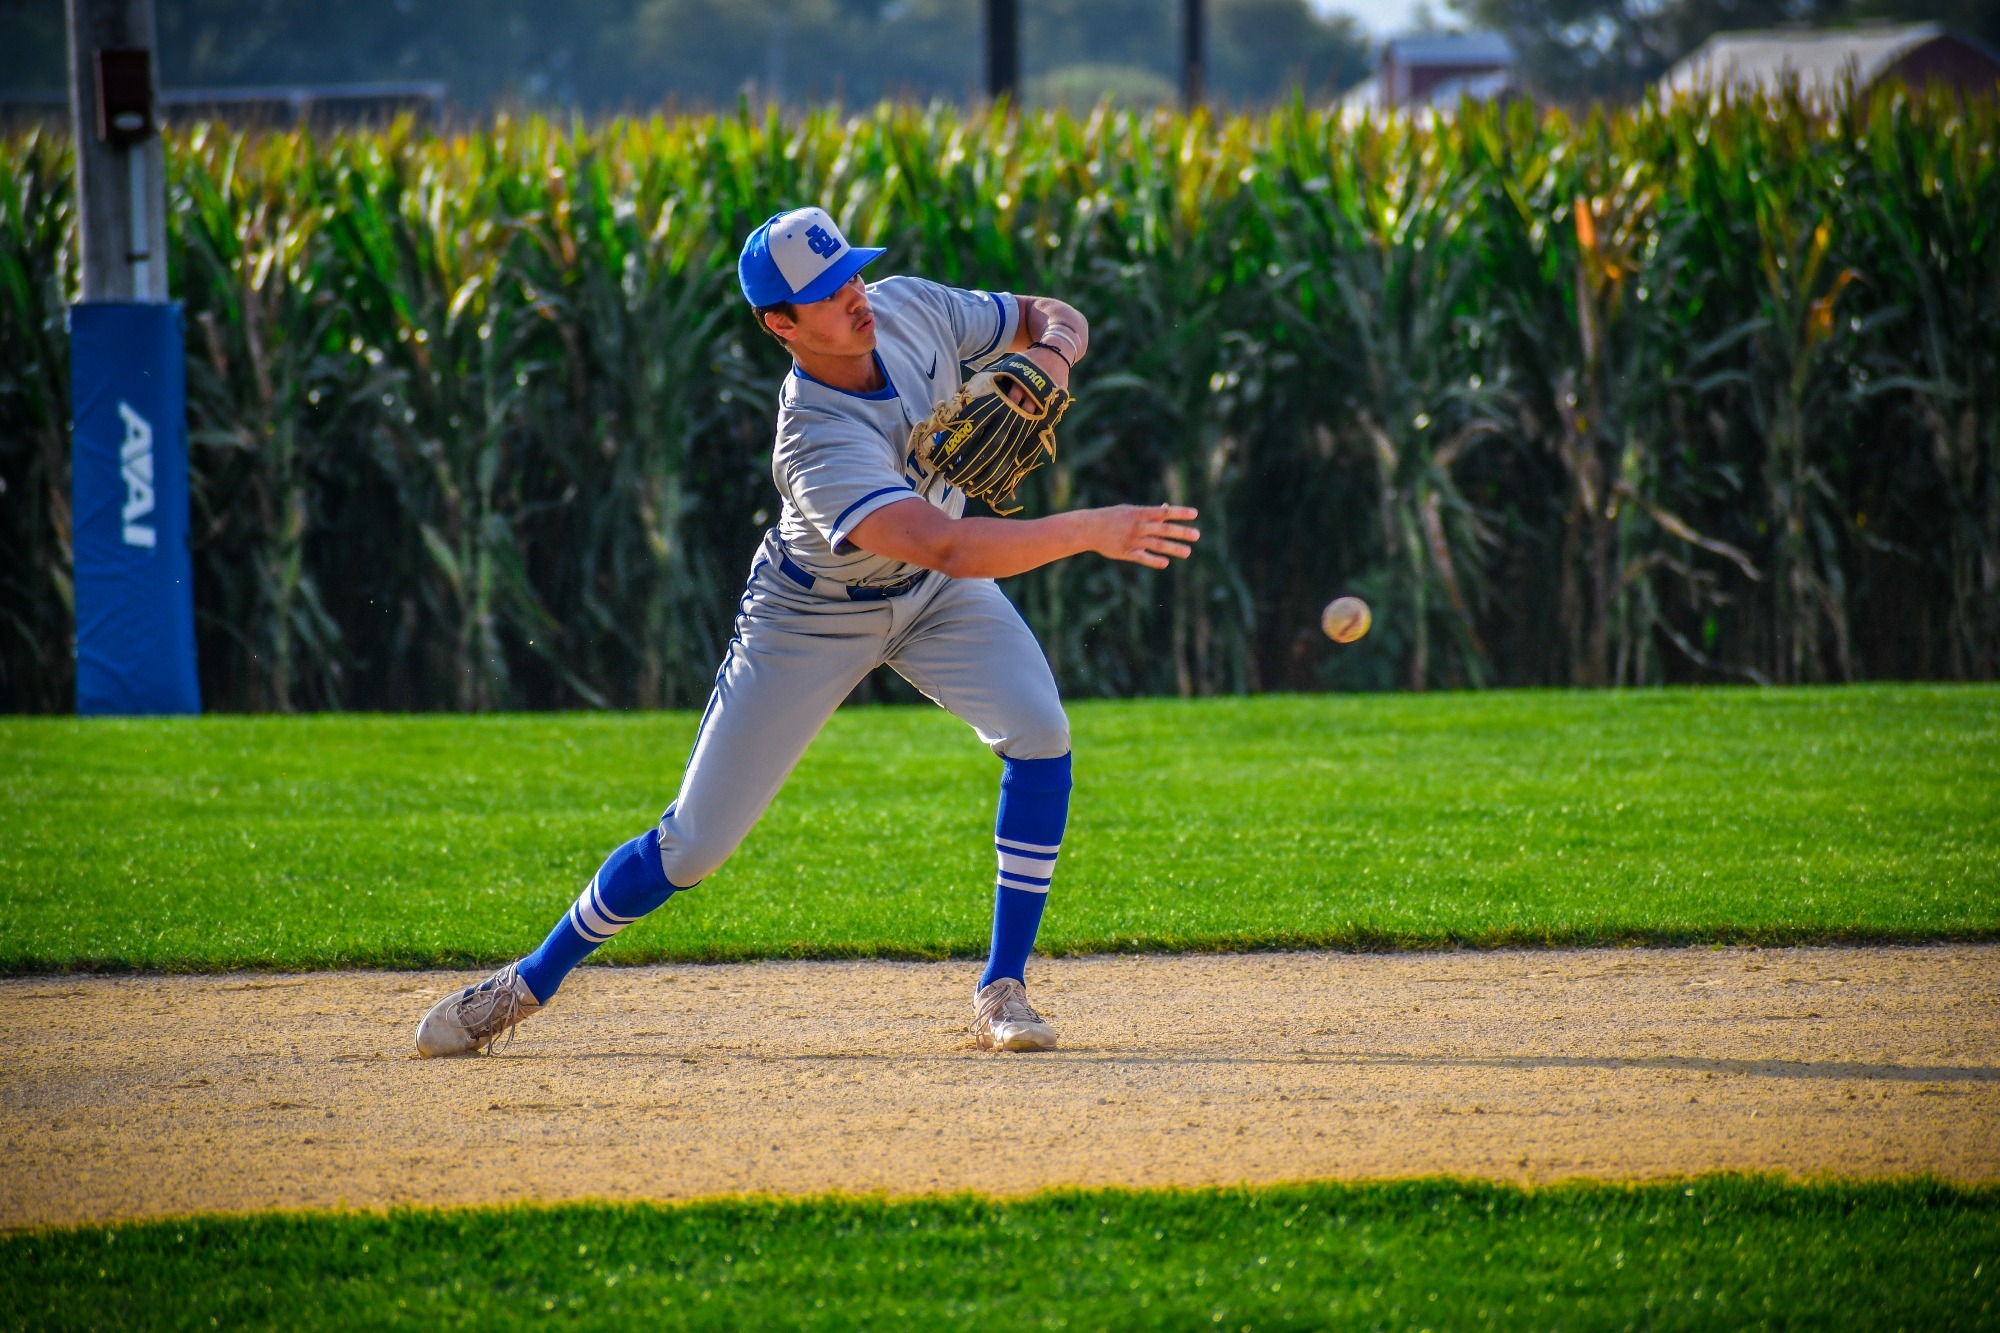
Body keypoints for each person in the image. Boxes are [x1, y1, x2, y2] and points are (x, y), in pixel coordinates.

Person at [416, 206, 1200, 1057]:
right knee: (694, 844)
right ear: (779, 324)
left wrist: (1046, 355)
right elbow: (948, 541)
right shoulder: (813, 437)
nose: (854, 295)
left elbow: (1055, 313)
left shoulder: (911, 306)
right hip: (811, 614)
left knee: (1041, 730)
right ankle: (525, 982)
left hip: (933, 594)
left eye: (851, 271)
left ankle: (1002, 986)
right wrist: (1092, 528)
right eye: (825, 292)